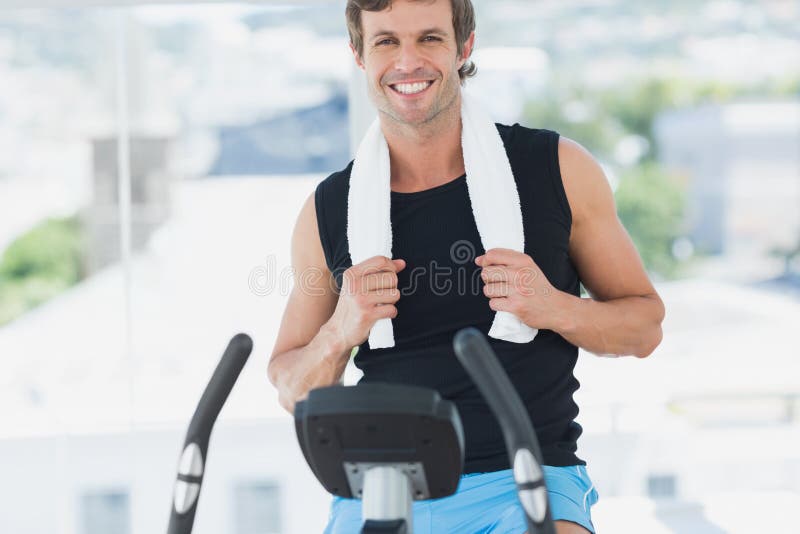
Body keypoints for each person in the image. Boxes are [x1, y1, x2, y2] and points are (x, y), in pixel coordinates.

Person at [268, 0, 665, 532]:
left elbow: (644, 327)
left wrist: (553, 306)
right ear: (359, 55)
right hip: (383, 482)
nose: (408, 61)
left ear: (465, 46)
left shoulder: (558, 169)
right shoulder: (327, 210)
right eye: (386, 41)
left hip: (526, 478)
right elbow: (291, 387)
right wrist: (340, 331)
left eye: (429, 38)